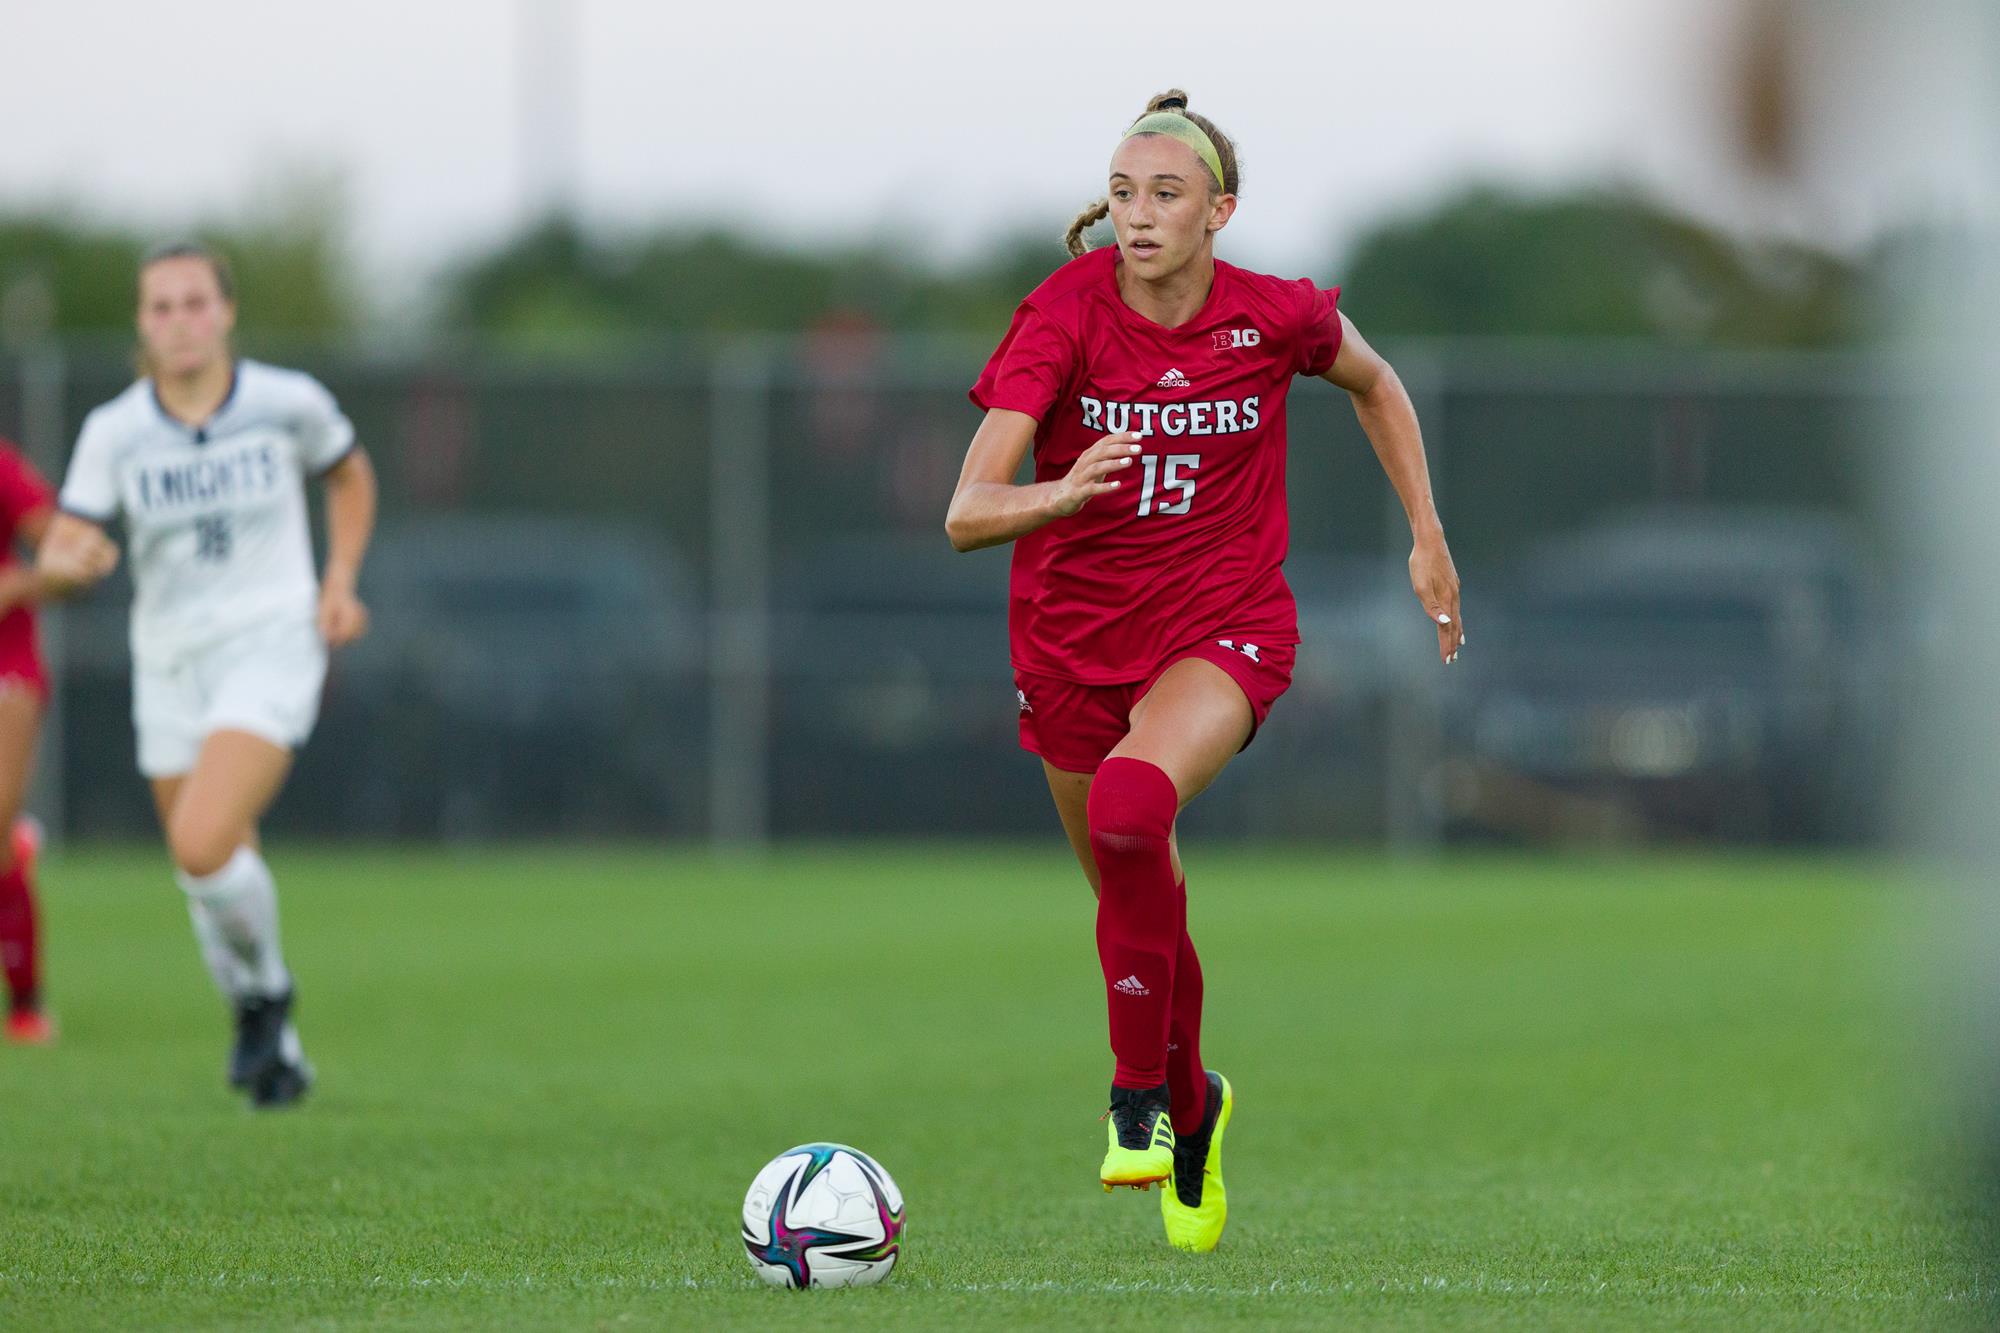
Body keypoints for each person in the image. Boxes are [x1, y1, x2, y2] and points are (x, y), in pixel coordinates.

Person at [946, 90, 1463, 1252]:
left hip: (1219, 627)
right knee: (1129, 891)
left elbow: (1375, 383)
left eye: (1165, 194)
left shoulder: (1271, 315)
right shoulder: (1062, 317)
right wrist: (1059, 491)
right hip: (1070, 644)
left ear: (1217, 211)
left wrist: (1426, 536)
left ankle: (1133, 1100)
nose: (1137, 215)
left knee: (1135, 811)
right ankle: (1194, 1107)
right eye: (1122, 193)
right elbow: (966, 512)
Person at [38, 242, 377, 1107]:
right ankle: (275, 1040)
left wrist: (338, 580)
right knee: (208, 870)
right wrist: (73, 556)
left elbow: (349, 473)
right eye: (161, 306)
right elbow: (68, 531)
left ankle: (265, 997)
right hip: (168, 658)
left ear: (225, 312)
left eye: (195, 302)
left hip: (269, 637)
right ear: (141, 324)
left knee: (201, 837)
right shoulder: (116, 429)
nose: (179, 320)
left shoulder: (283, 401)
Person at [0, 439, 60, 1045]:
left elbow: (70, 559)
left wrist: (14, 586)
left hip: (5, 662)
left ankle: (26, 1000)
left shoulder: (2, 466)